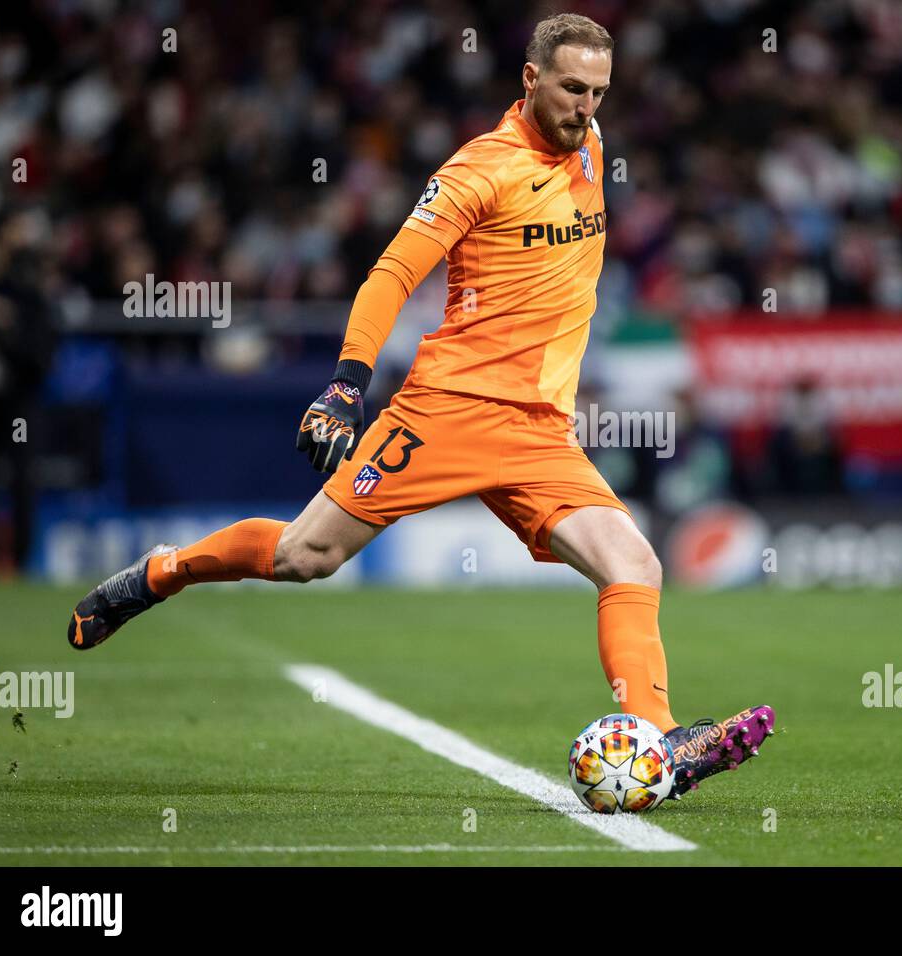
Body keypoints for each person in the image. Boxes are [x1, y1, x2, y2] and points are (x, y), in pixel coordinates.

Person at [65, 13, 773, 799]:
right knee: (307, 557)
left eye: (600, 93)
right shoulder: (478, 170)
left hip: (539, 429)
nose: (587, 108)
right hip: (448, 411)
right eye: (573, 89)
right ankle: (162, 573)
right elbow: (391, 276)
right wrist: (345, 384)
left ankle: (659, 741)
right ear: (531, 79)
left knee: (634, 561)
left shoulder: (592, 147)